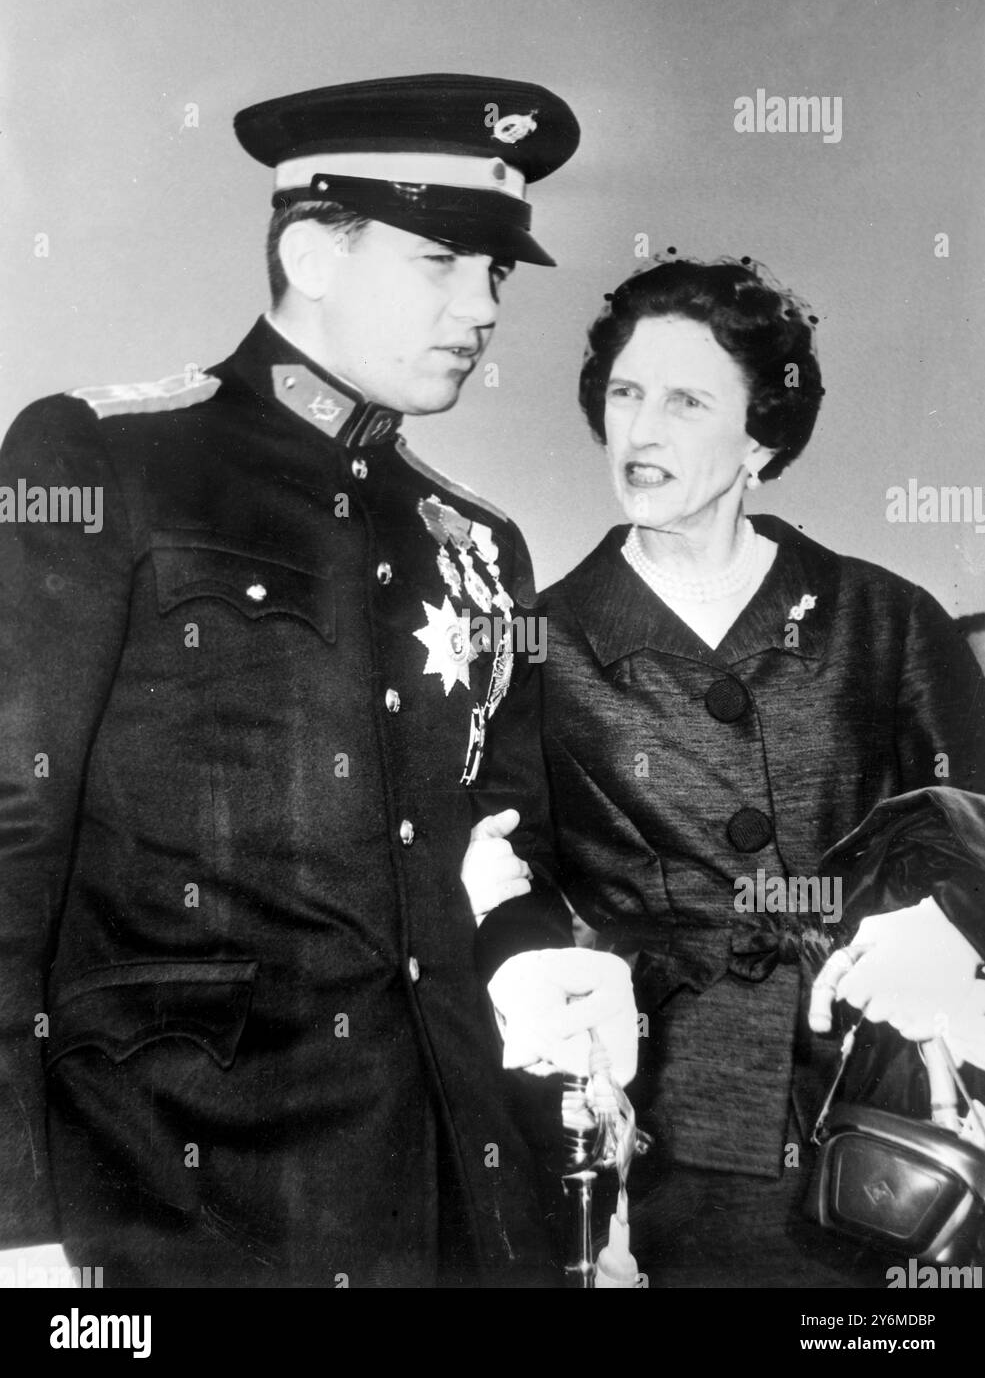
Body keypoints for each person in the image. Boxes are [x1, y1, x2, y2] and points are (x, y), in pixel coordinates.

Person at [0, 72, 637, 1290]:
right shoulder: (104, 457)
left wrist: (545, 958)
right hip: (170, 1192)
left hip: (449, 1186)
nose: (483, 305)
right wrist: (13, 1214)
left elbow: (510, 847)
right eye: (444, 261)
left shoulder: (477, 540)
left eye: (497, 273)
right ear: (310, 251)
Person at [526, 254, 985, 1286]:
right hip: (682, 1123)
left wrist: (950, 926)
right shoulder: (538, 644)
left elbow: (981, 823)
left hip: (902, 1100)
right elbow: (508, 884)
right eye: (624, 395)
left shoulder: (884, 618)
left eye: (685, 400)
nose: (640, 431)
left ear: (762, 438)